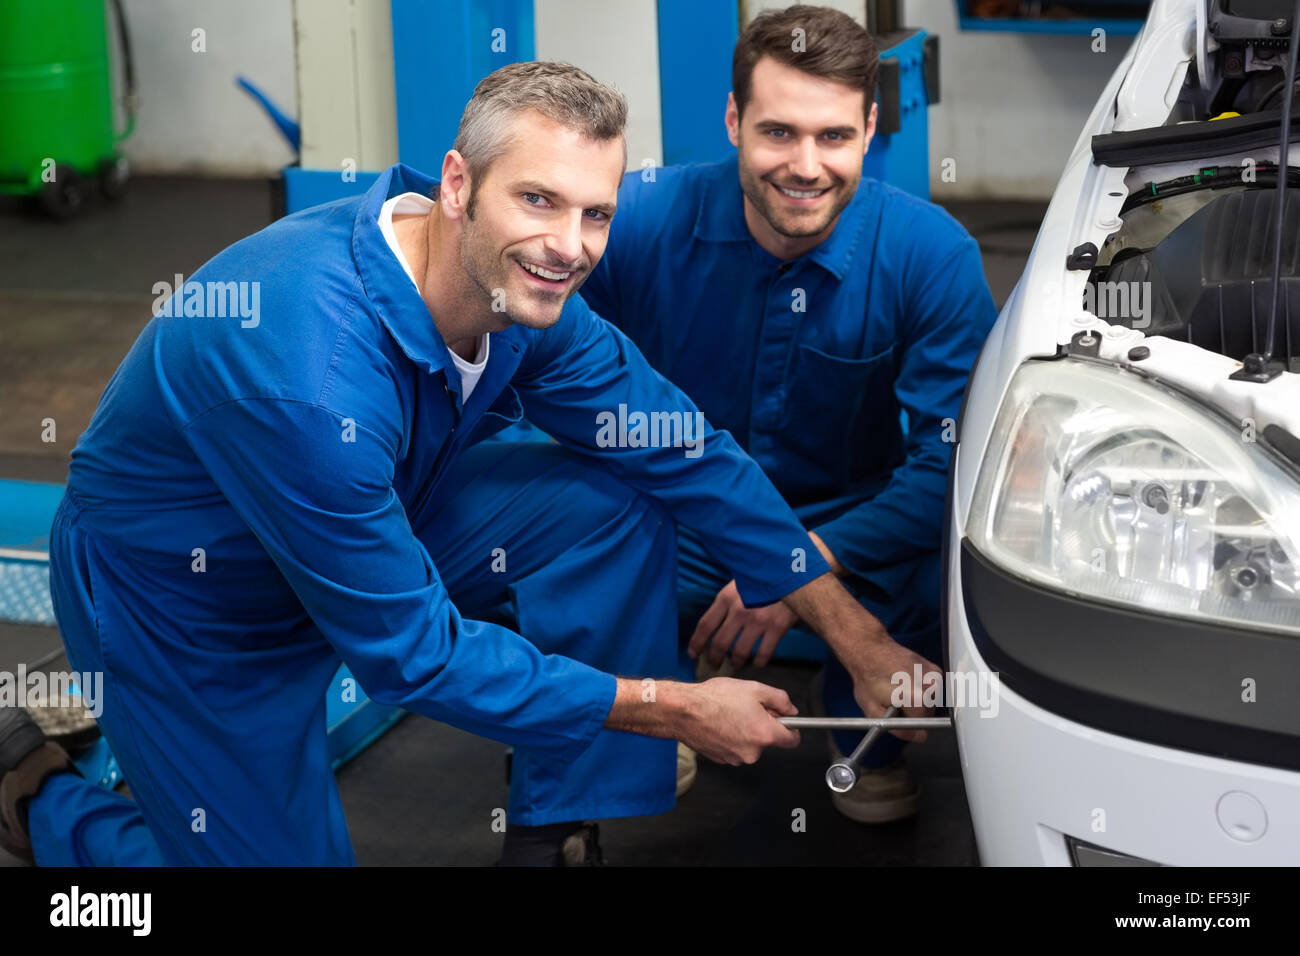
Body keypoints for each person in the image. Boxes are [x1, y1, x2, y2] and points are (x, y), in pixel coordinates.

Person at [0, 61, 937, 867]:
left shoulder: (519, 289)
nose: (568, 247)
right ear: (457, 184)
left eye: (594, 213)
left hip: (373, 515)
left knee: (612, 493)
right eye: (537, 199)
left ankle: (559, 822)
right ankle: (37, 799)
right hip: (186, 601)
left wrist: (860, 641)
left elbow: (685, 450)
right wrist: (674, 707)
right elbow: (412, 657)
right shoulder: (308, 379)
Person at [578, 5, 998, 823]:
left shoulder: (929, 254)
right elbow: (548, 392)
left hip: (847, 523)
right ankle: (644, 718)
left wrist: (799, 566)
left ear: (871, 128)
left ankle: (862, 736)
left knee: (954, 554)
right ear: (733, 121)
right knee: (568, 524)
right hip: (681, 518)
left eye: (834, 137)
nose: (806, 166)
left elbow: (952, 460)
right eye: (778, 133)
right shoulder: (634, 224)